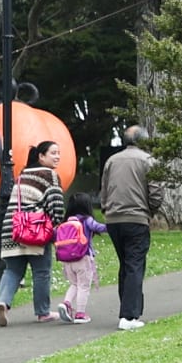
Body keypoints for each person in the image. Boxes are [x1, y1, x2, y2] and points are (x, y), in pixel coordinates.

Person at [0, 141, 66, 326]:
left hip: (12, 228)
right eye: (53, 153)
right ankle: (43, 312)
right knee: (41, 272)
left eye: (58, 153)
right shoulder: (50, 175)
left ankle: (3, 302)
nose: (57, 156)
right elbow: (56, 206)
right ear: (41, 156)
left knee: (12, 270)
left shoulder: (22, 175)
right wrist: (56, 225)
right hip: (35, 230)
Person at [100, 125, 162, 331]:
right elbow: (155, 192)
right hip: (136, 218)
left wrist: (106, 209)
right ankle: (129, 315)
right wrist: (151, 211)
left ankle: (128, 309)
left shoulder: (112, 160)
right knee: (135, 264)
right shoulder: (148, 160)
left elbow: (104, 189)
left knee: (125, 264)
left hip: (113, 219)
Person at [57, 192, 108, 324]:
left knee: (74, 284)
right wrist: (113, 227)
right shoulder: (87, 220)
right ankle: (80, 314)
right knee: (84, 286)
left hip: (67, 261)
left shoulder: (66, 222)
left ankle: (66, 303)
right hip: (83, 258)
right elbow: (99, 227)